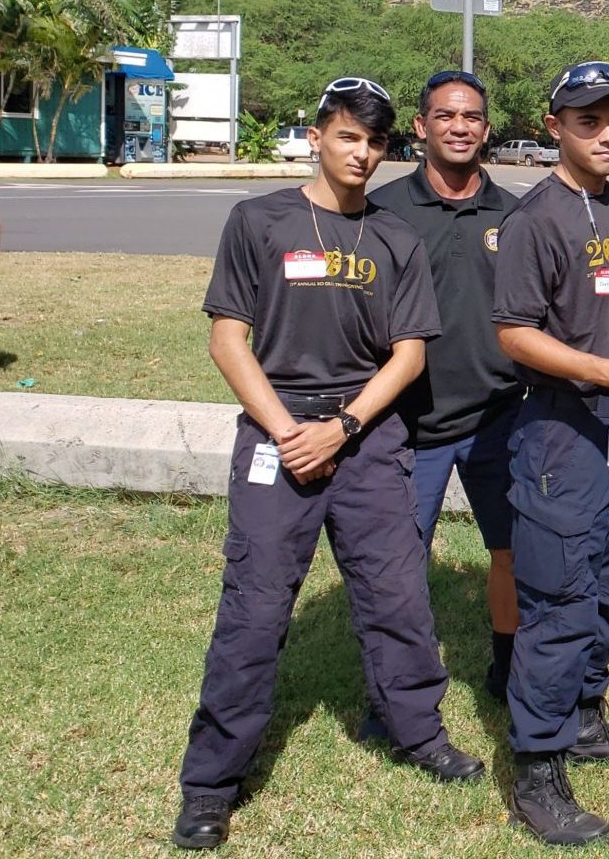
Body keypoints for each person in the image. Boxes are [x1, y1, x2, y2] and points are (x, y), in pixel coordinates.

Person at [173, 77, 482, 852]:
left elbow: (409, 354)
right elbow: (227, 339)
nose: (362, 153)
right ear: (316, 137)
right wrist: (289, 433)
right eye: (348, 136)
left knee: (397, 594)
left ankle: (417, 732)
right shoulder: (259, 220)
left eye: (375, 141)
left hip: (366, 432)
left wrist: (342, 428)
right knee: (254, 607)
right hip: (277, 430)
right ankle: (211, 782)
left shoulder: (394, 237)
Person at [491, 60, 609, 847]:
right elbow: (514, 333)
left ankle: (588, 716)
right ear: (554, 127)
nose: (608, 134)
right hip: (561, 434)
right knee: (560, 601)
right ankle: (538, 768)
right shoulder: (536, 219)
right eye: (588, 121)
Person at [367, 69, 521, 708]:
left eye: (472, 117)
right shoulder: (383, 212)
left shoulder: (514, 214)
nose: (460, 127)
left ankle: (508, 669)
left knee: (511, 551)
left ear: (486, 128)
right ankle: (394, 694)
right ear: (421, 126)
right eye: (446, 116)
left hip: (499, 417)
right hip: (408, 422)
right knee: (399, 565)